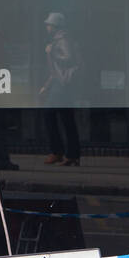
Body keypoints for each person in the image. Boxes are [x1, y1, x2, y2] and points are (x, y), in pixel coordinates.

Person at [39, 11, 82, 167]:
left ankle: (57, 152)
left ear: (55, 26)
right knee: (67, 119)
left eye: (49, 24)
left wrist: (52, 53)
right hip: (63, 84)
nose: (47, 27)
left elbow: (68, 58)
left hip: (62, 85)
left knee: (49, 114)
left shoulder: (62, 40)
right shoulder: (62, 38)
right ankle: (72, 155)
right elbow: (55, 70)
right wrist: (46, 85)